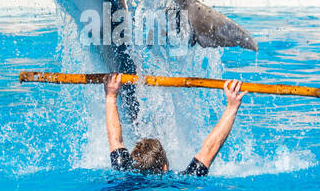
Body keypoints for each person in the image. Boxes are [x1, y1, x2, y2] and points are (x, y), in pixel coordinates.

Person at [105, 72, 245, 177]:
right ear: (165, 167)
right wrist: (232, 106)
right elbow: (209, 149)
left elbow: (115, 138)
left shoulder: (122, 171)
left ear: (133, 161)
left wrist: (111, 95)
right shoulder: (183, 182)